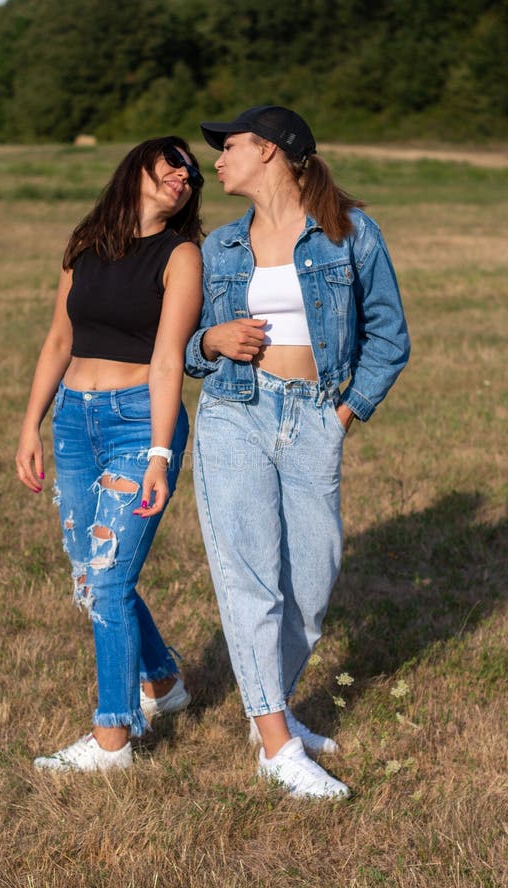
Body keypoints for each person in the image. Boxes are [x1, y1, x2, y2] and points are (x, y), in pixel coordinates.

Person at [186, 106, 410, 799]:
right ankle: (277, 745)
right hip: (234, 414)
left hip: (313, 417)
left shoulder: (347, 233)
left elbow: (389, 336)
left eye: (231, 146)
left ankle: (270, 710)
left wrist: (341, 414)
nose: (218, 160)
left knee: (311, 586)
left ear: (274, 153)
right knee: (250, 580)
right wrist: (212, 342)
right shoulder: (219, 247)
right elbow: (187, 347)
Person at [16, 137, 204, 772]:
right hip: (73, 420)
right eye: (173, 160)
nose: (184, 173)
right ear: (139, 167)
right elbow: (58, 338)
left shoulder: (181, 255)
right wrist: (30, 425)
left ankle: (113, 740)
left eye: (192, 171)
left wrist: (157, 452)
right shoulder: (84, 243)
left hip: (136, 425)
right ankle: (163, 684)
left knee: (109, 579)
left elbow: (169, 357)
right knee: (88, 580)